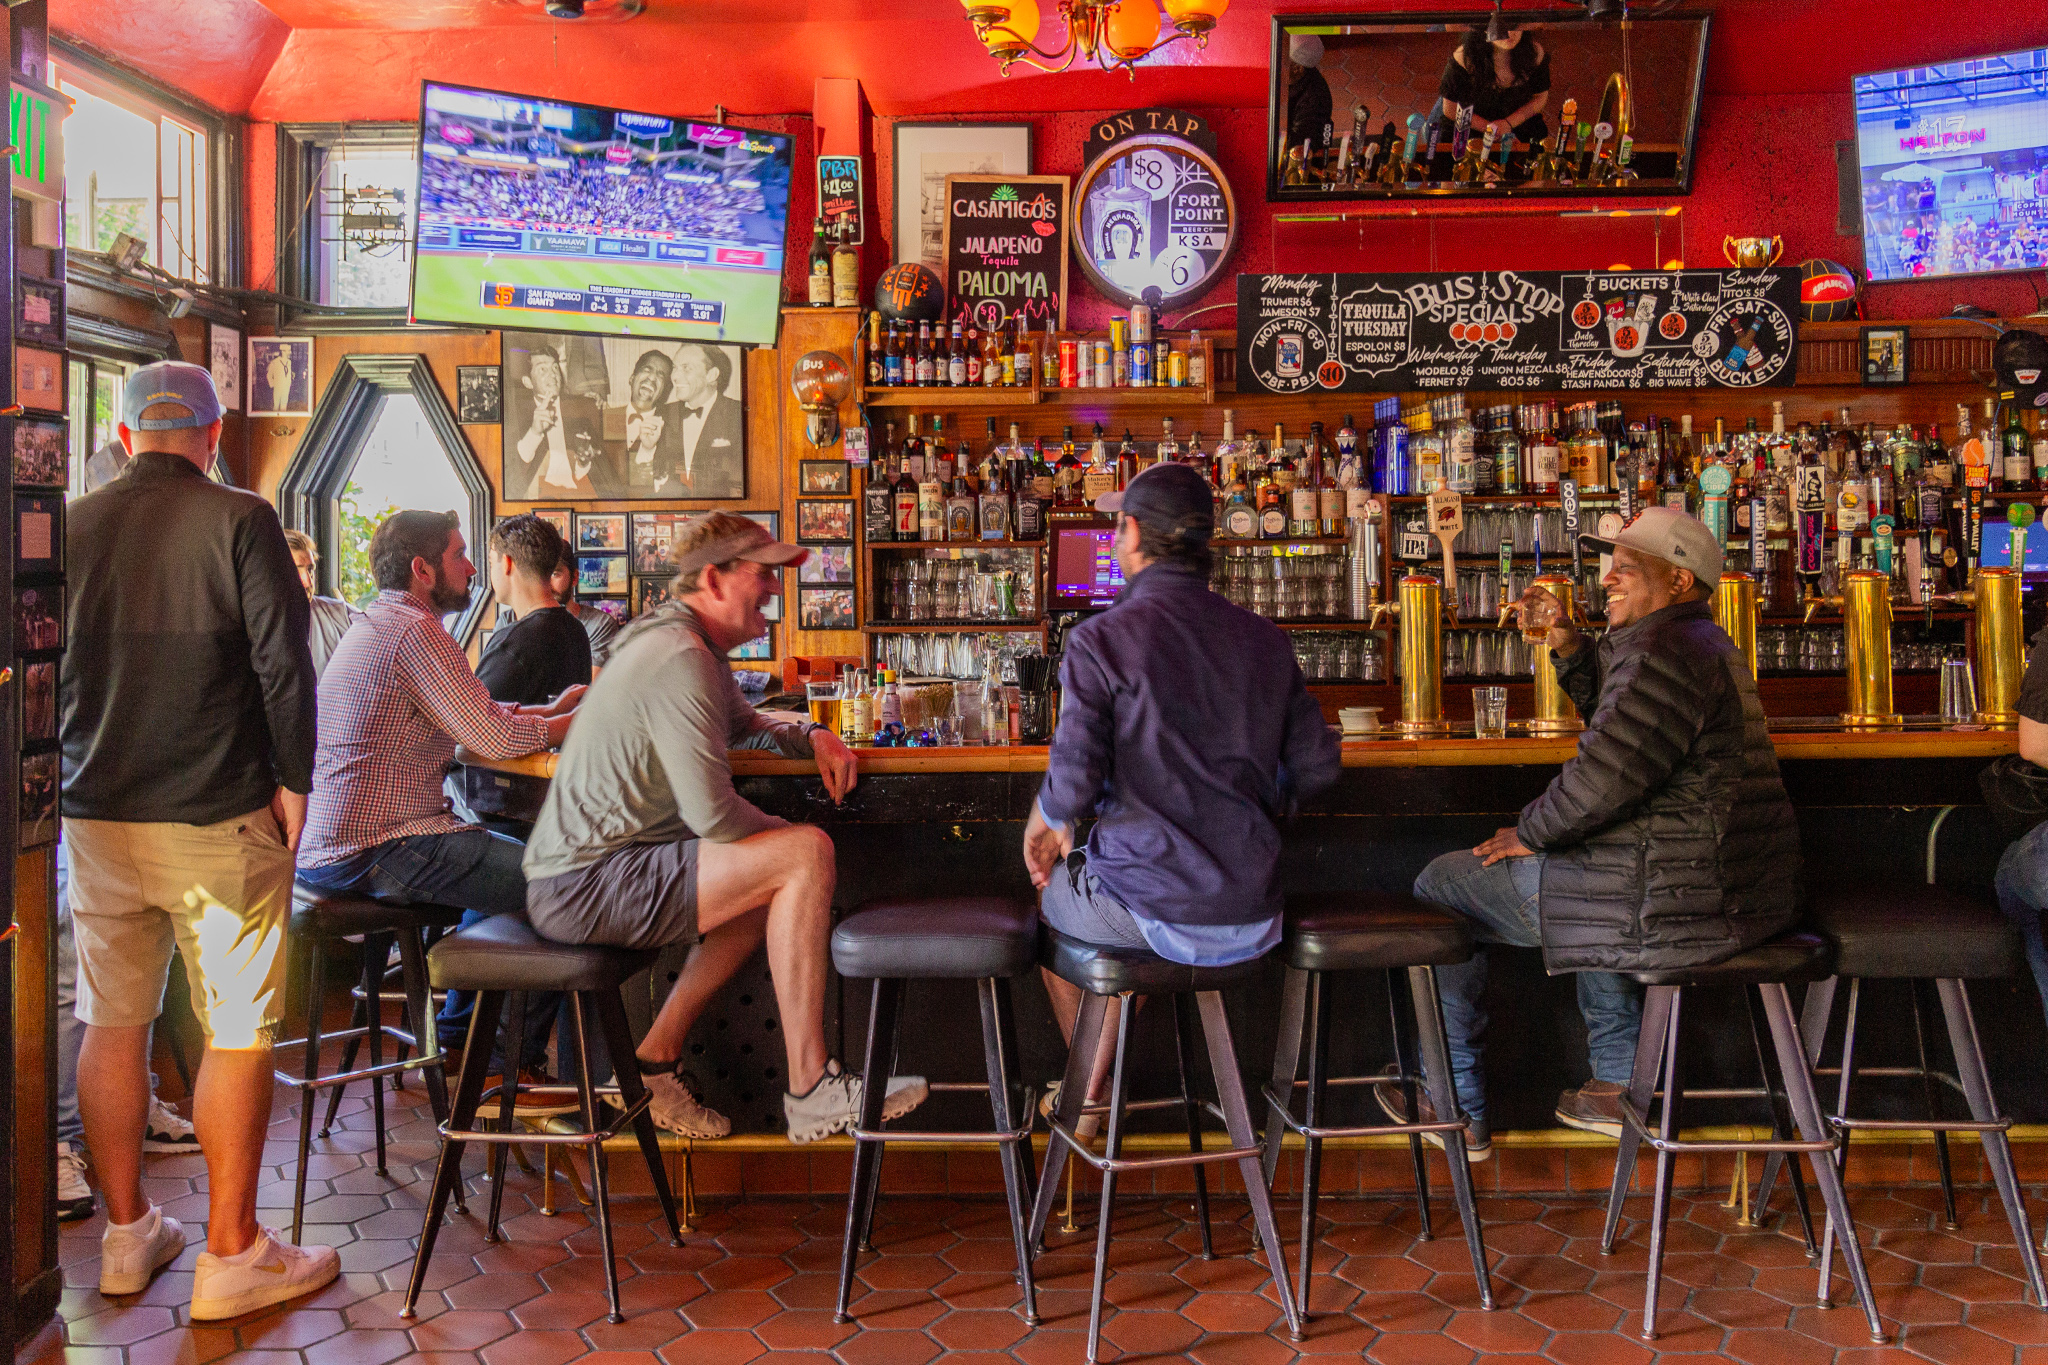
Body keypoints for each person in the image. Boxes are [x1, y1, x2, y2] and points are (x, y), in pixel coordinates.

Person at [61, 361, 336, 1317]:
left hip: (93, 810)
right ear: (212, 436)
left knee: (113, 1018)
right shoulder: (240, 517)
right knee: (237, 1025)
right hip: (218, 810)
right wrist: (297, 783)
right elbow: (284, 661)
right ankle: (231, 1251)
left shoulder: (70, 523)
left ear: (127, 437)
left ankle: (128, 1235)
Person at [1394, 507, 1799, 1157]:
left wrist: (1532, 831)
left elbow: (1604, 775)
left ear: (1679, 583)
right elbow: (1623, 724)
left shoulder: (1666, 652)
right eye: (1612, 565)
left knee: (1443, 883)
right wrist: (1569, 644)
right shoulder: (1684, 643)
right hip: (1716, 885)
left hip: (1681, 897)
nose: (1609, 577)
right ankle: (1614, 1081)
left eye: (1627, 569)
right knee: (1586, 866)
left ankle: (1453, 1103)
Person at [523, 511, 926, 1141]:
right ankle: (812, 1088)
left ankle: (654, 1061)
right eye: (762, 575)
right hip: (586, 882)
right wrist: (786, 843)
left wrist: (813, 732)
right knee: (806, 854)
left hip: (592, 872)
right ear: (713, 579)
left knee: (777, 879)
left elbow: (750, 723)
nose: (774, 589)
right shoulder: (678, 653)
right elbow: (711, 816)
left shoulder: (691, 646)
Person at [1022, 463, 1341, 1123]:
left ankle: (1087, 1087)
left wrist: (1051, 821)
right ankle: (1091, 1086)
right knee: (1117, 904)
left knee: (1055, 899)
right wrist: (1252, 797)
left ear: (1132, 532)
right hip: (1253, 914)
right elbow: (1316, 767)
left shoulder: (1100, 639)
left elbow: (1077, 775)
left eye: (1117, 524)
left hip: (1152, 906)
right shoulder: (1266, 640)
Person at [297, 511, 580, 1087]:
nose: (473, 567)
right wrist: (578, 719)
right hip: (381, 847)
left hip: (334, 849)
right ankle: (501, 1064)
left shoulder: (381, 624)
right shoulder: (416, 633)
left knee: (527, 866)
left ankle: (473, 1043)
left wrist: (551, 714)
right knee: (569, 881)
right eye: (459, 554)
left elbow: (475, 713)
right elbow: (492, 737)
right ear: (423, 569)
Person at [476, 514, 591, 708]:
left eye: (490, 562)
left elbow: (475, 725)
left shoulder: (512, 643)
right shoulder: (576, 629)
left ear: (507, 564)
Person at [509, 349, 606, 500]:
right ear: (527, 382)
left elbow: (599, 474)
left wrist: (583, 462)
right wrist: (534, 432)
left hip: (578, 495)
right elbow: (514, 474)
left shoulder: (582, 408)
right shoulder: (515, 415)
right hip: (536, 497)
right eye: (543, 369)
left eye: (555, 367)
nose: (553, 374)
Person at [1438, 24, 1551, 153]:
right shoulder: (1465, 57)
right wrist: (1492, 130)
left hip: (1517, 122)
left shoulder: (1534, 54)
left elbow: (1540, 97)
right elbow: (1450, 109)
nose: (1510, 32)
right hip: (1473, 124)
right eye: (1501, 25)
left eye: (1516, 25)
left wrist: (1508, 124)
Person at [667, 345, 745, 498]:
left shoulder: (738, 413)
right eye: (675, 368)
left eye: (686, 368)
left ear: (711, 375)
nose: (675, 376)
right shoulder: (663, 414)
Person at [283, 529, 360, 677]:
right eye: (296, 571)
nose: (308, 582)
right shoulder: (254, 625)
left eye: (310, 570)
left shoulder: (342, 615)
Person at [619, 349, 679, 497]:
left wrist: (647, 448)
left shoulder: (674, 431)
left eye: (661, 376)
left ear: (664, 391)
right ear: (632, 379)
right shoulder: (603, 417)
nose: (652, 378)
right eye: (647, 370)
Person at [553, 545, 621, 667]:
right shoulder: (508, 620)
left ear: (574, 577)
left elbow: (591, 685)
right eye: (540, 576)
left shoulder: (599, 624)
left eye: (554, 574)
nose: (546, 585)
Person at [1284, 33, 1334, 158]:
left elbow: (1298, 144)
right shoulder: (1288, 78)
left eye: (1282, 59)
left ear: (1298, 68)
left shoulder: (1316, 99)